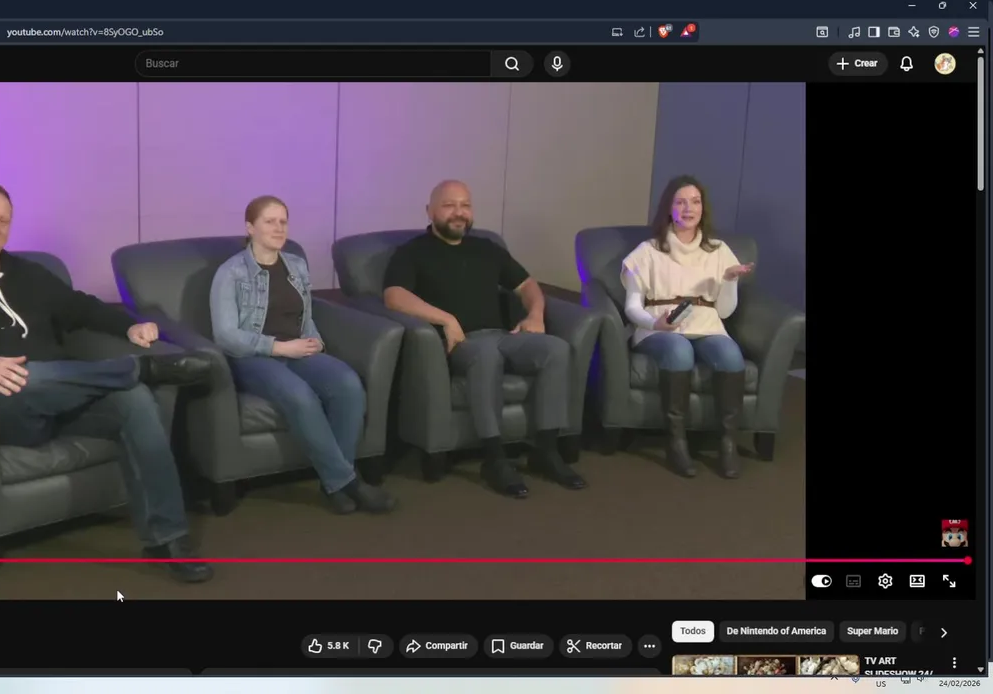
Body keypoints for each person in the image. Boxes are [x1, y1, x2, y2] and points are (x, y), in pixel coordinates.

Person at [0, 181, 216, 583]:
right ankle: (140, 369)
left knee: (135, 401)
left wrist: (129, 327)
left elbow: (80, 308)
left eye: (3, 221)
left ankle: (167, 540)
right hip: (2, 405)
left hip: (64, 394)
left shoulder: (27, 273)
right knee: (26, 376)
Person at [382, 180, 586, 498]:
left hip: (504, 336)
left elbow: (527, 285)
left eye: (465, 205)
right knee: (487, 355)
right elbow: (394, 296)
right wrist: (446, 319)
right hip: (463, 344)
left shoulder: (487, 248)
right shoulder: (412, 252)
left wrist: (535, 314)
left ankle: (545, 451)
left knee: (556, 350)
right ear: (430, 211)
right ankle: (494, 459)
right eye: (449, 205)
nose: (459, 212)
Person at [210, 195, 397, 515]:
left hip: (298, 348)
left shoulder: (295, 264)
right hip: (252, 357)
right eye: (270, 221)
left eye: (283, 221)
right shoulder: (231, 273)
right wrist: (279, 347)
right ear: (250, 228)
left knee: (348, 384)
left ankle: (333, 483)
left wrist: (315, 343)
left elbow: (306, 315)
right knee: (300, 396)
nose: (278, 228)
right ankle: (347, 482)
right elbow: (226, 336)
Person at [620, 175, 755, 479]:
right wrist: (655, 322)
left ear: (703, 208)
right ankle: (676, 442)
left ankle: (727, 443)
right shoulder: (648, 251)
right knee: (679, 350)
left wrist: (729, 280)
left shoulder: (718, 250)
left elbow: (724, 311)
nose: (688, 208)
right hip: (659, 328)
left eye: (695, 202)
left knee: (731, 356)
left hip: (706, 325)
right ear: (669, 208)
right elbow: (632, 306)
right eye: (680, 202)